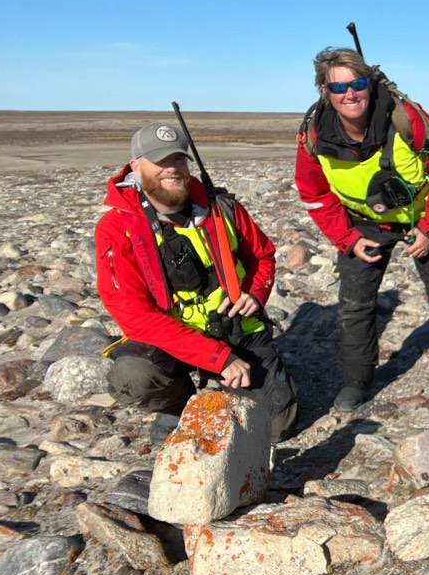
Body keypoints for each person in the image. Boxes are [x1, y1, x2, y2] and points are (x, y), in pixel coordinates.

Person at [294, 47, 429, 410]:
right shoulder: (315, 135)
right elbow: (314, 194)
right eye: (339, 87)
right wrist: (347, 239)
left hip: (425, 217)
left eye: (358, 84)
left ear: (370, 84)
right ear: (325, 91)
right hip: (362, 224)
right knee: (354, 306)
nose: (350, 94)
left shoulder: (407, 118)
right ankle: (356, 382)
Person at [96, 123, 297, 440]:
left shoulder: (223, 208)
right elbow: (135, 316)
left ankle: (242, 379)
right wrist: (217, 357)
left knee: (276, 427)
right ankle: (178, 403)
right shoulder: (116, 228)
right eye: (160, 161)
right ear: (136, 166)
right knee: (133, 377)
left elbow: (263, 256)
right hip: (172, 341)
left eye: (178, 159)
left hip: (237, 330)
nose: (172, 169)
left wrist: (255, 293)